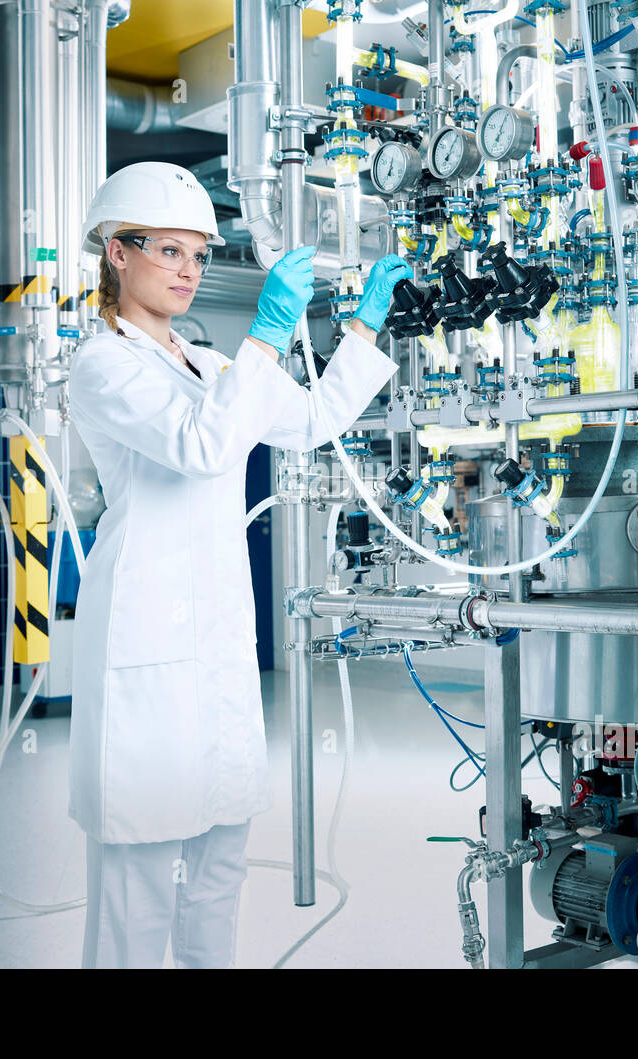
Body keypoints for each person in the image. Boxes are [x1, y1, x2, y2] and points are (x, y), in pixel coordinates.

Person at [66, 160, 409, 968]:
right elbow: (202, 445)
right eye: (169, 251)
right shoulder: (103, 364)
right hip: (143, 652)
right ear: (118, 252)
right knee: (136, 891)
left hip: (217, 648)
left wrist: (360, 329)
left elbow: (313, 419)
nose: (188, 271)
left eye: (199, 255)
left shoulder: (212, 366)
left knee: (217, 877)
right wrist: (264, 331)